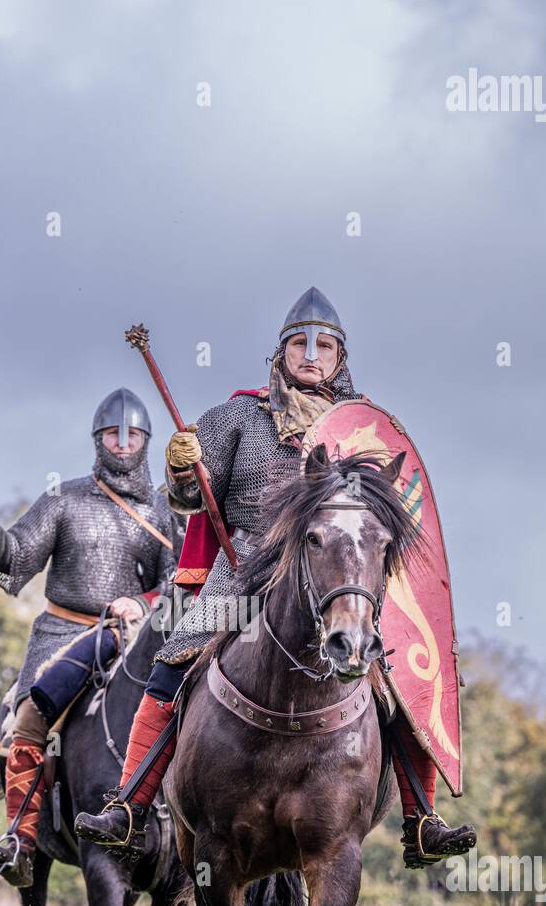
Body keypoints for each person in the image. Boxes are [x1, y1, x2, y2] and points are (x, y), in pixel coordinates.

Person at [76, 287, 476, 869]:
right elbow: (187, 500)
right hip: (244, 571)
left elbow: (389, 512)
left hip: (337, 571)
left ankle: (421, 821)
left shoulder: (365, 429)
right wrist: (182, 467)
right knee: (174, 660)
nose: (311, 354)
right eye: (299, 343)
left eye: (325, 345)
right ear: (281, 352)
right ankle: (130, 804)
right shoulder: (240, 417)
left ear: (341, 357)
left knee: (404, 680)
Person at [0, 388, 177, 886]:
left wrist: (141, 603)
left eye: (132, 434)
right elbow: (13, 556)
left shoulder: (164, 513)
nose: (122, 442)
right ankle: (22, 838)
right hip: (61, 634)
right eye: (113, 434)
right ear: (98, 440)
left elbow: (182, 581)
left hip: (131, 638)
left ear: (145, 440)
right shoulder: (65, 498)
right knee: (27, 716)